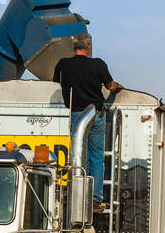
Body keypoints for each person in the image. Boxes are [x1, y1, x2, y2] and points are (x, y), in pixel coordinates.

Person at [52, 32, 123, 213]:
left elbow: (57, 83)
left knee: (78, 157)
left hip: (76, 115)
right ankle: (95, 199)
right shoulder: (98, 64)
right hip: (96, 114)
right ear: (89, 46)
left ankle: (77, 194)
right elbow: (110, 85)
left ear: (73, 46)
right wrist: (117, 86)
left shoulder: (63, 64)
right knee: (96, 157)